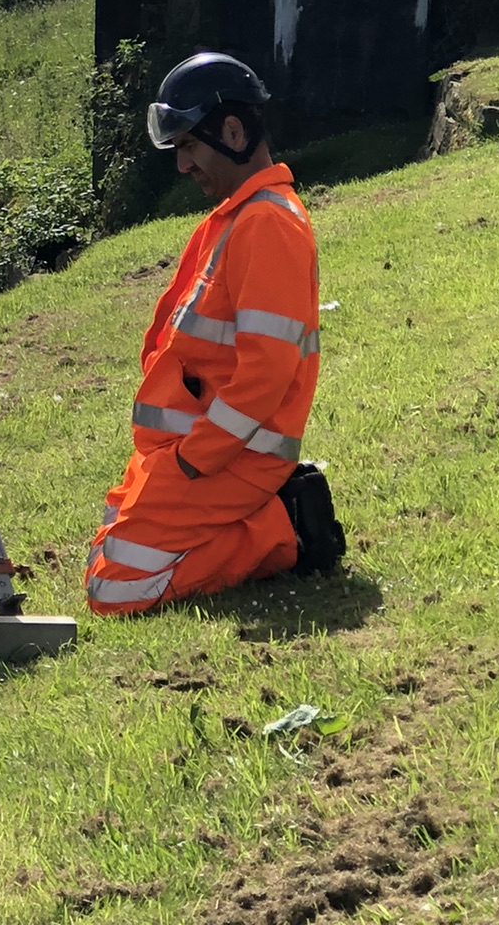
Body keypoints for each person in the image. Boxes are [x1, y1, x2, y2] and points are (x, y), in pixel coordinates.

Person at [84, 53, 346, 616]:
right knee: (107, 549)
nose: (182, 165)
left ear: (232, 131)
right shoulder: (238, 217)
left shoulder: (267, 224)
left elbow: (266, 374)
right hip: (189, 450)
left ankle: (290, 529)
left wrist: (195, 459)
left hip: (225, 458)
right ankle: (270, 518)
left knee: (116, 589)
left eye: (187, 146)